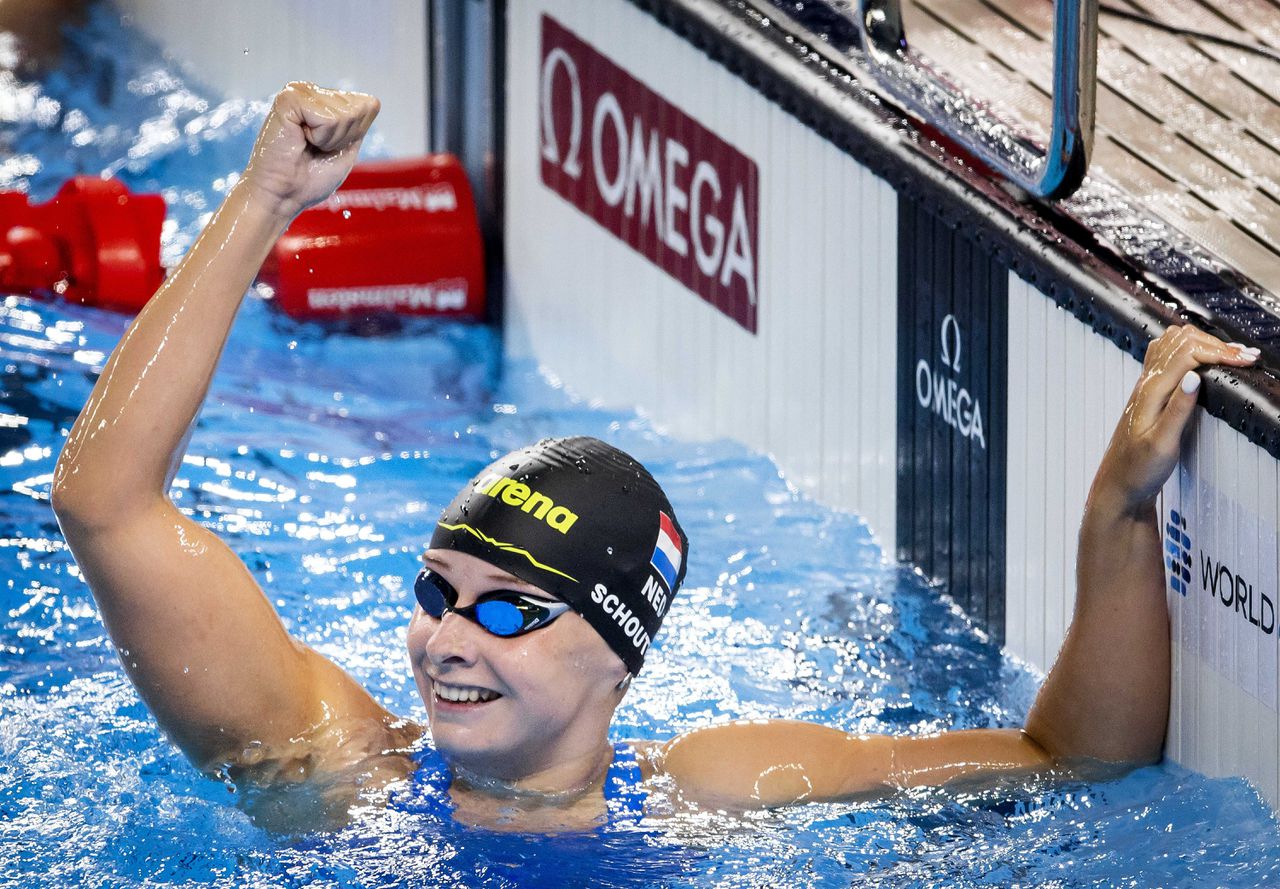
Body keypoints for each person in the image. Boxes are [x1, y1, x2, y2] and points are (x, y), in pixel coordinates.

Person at [50, 83, 1262, 833]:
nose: (447, 640)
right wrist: (265, 202)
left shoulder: (720, 789)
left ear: (618, 653)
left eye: (511, 611)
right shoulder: (334, 772)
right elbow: (104, 501)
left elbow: (1074, 760)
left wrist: (1114, 512)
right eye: (438, 596)